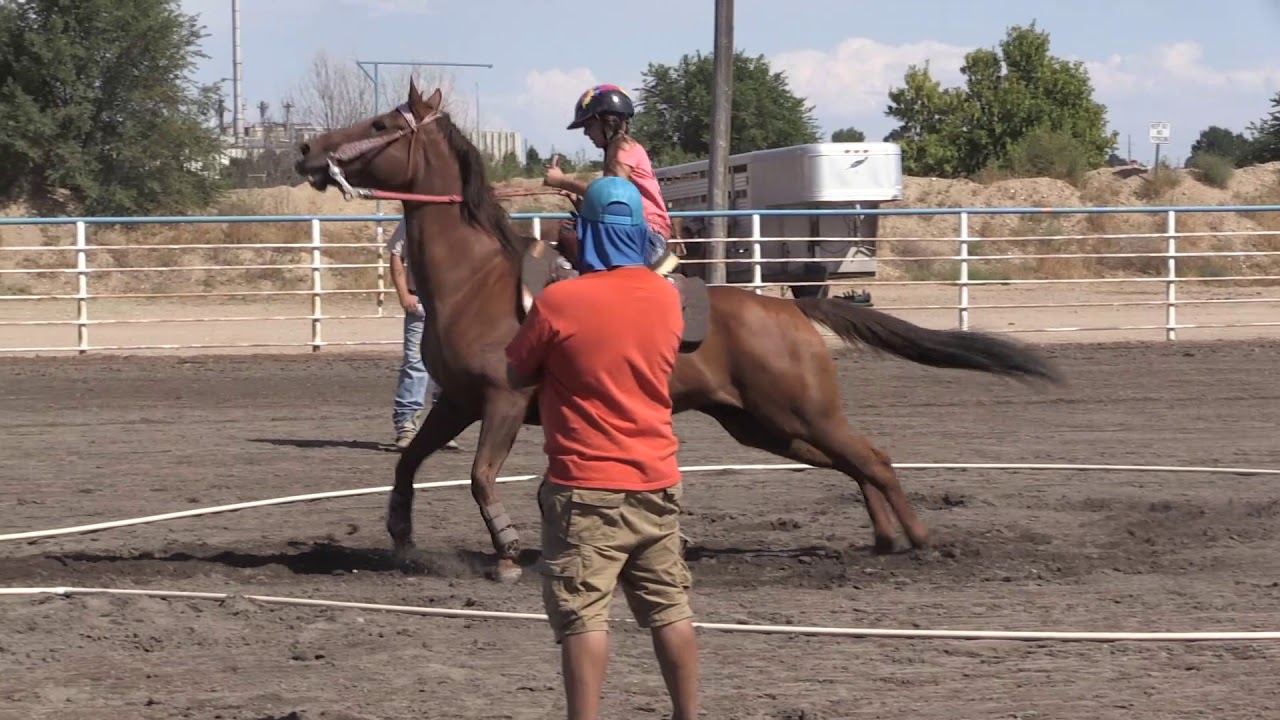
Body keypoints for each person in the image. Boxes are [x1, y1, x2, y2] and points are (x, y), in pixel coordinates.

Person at [505, 176, 699, 720]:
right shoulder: (666, 299)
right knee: (669, 609)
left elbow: (515, 373)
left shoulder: (561, 301)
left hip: (585, 487)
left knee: (583, 617)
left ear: (585, 233)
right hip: (656, 480)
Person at [543, 84, 674, 269]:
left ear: (608, 121)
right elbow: (610, 207)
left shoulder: (624, 149)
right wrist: (578, 200)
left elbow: (612, 197)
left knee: (567, 234)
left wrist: (562, 181)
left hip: (648, 237)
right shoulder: (620, 151)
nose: (586, 133)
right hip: (641, 234)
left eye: (589, 125)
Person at [385, 220, 460, 452]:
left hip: (452, 302)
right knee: (415, 363)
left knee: (447, 366)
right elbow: (396, 254)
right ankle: (408, 425)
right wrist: (404, 294)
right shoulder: (412, 220)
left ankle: (440, 426)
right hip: (422, 300)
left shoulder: (462, 219)